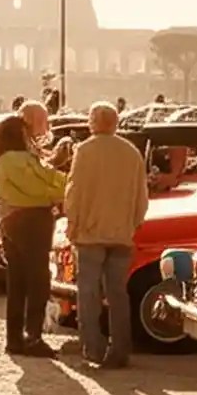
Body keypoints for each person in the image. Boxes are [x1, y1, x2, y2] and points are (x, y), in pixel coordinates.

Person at [63, 102, 149, 368]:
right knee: (117, 293)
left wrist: (72, 223)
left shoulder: (85, 151)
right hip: (121, 234)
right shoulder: (131, 153)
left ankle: (93, 346)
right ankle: (120, 348)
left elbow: (74, 192)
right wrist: (131, 224)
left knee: (88, 292)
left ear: (93, 122)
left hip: (90, 234)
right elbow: (142, 198)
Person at [0, 113, 66, 357]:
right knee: (38, 281)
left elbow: (42, 178)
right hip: (31, 222)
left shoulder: (2, 160)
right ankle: (33, 337)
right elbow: (39, 186)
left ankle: (15, 338)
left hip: (11, 223)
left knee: (17, 283)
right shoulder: (18, 159)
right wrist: (59, 190)